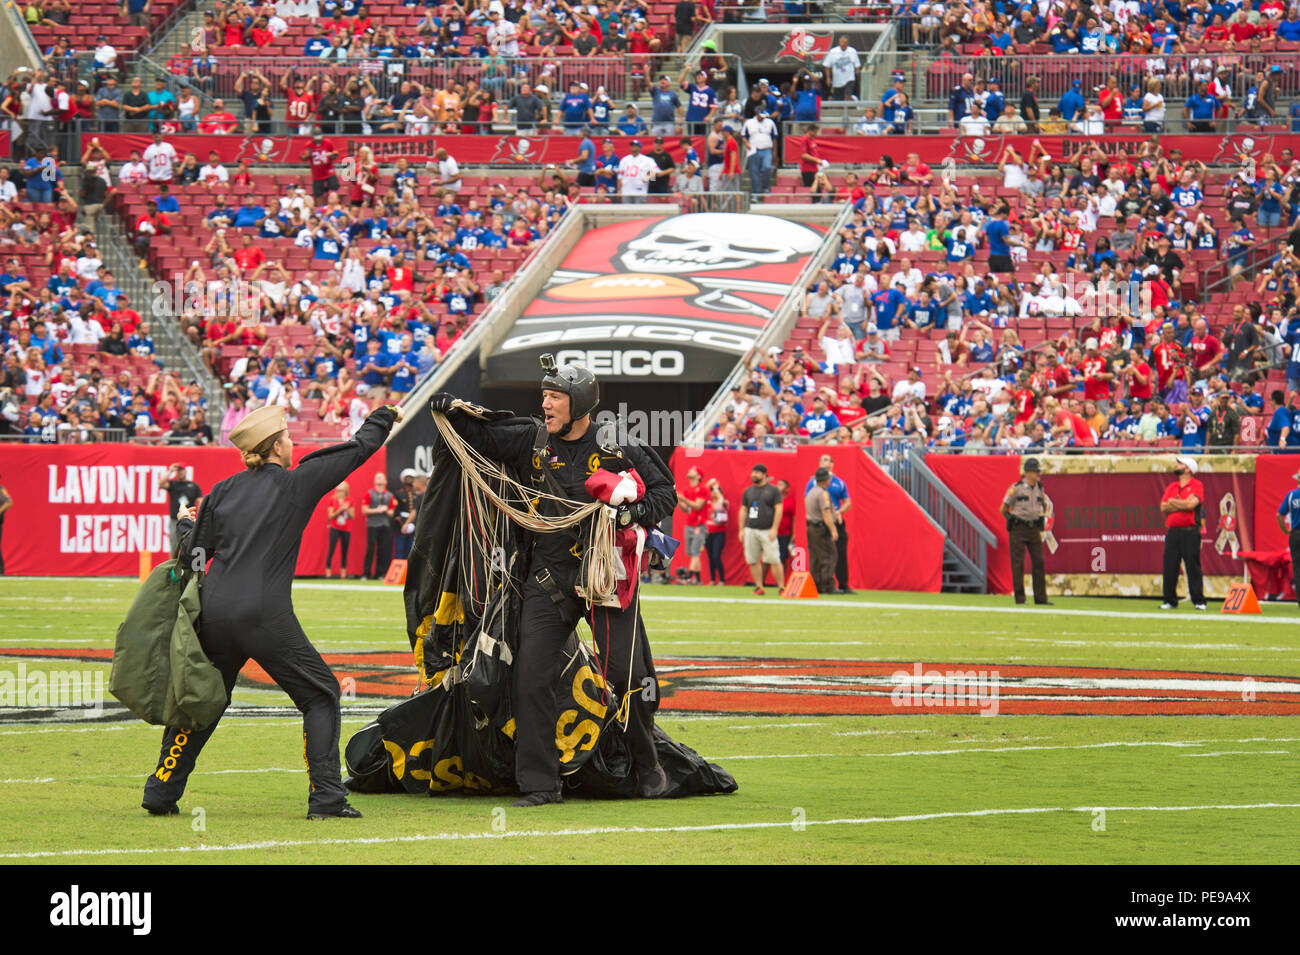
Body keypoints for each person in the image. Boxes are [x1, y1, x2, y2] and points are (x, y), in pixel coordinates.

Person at [427, 356, 676, 805]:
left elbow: (665, 491)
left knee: (627, 676)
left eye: (554, 396)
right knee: (531, 677)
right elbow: (479, 437)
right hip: (548, 577)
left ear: (578, 402)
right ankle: (541, 784)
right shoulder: (531, 438)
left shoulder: (617, 443)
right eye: (544, 395)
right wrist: (451, 409)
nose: (545, 403)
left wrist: (633, 512)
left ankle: (647, 762)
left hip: (607, 576)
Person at [141, 402, 401, 819]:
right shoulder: (295, 484)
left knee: (203, 698)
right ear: (277, 446)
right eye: (288, 438)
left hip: (214, 613)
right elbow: (357, 449)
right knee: (320, 695)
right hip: (263, 615)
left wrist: (185, 525)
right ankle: (326, 798)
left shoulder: (222, 490)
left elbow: (192, 558)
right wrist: (384, 415)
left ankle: (161, 791)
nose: (293, 443)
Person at [1000, 457, 1051, 606]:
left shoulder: (1040, 488)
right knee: (1018, 564)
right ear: (1028, 472)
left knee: (1039, 562)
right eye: (1036, 471)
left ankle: (1041, 598)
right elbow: (1003, 509)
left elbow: (1043, 506)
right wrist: (1012, 520)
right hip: (1018, 529)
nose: (1038, 474)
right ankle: (1020, 598)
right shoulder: (1016, 488)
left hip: (1034, 529)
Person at [1160, 455, 1206, 610]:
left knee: (1192, 566)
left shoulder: (1197, 485)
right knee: (1169, 566)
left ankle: (1198, 601)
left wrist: (1174, 502)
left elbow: (1191, 504)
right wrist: (1180, 503)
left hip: (1190, 531)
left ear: (1188, 469)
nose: (1176, 465)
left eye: (1180, 464)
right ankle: (1169, 600)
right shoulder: (1172, 486)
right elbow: (1163, 506)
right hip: (1173, 532)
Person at [739, 463, 784, 595]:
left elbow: (778, 509)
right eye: (753, 472)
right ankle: (759, 586)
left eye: (757, 472)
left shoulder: (773, 490)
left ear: (765, 475)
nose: (754, 475)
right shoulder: (748, 491)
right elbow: (743, 510)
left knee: (774, 559)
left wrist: (774, 528)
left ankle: (781, 587)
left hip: (767, 529)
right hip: (751, 529)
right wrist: (741, 529)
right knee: (753, 560)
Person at [805, 467, 838, 596]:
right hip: (820, 528)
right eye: (829, 478)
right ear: (825, 480)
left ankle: (817, 585)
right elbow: (825, 512)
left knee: (815, 558)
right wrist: (833, 529)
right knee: (829, 556)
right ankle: (828, 586)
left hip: (811, 528)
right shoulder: (823, 493)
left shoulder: (811, 492)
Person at [157, 462, 201, 551]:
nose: (180, 472)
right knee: (174, 547)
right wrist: (170, 471)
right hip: (175, 521)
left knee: (189, 546)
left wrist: (200, 518)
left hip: (189, 520)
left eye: (181, 470)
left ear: (185, 471)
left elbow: (200, 502)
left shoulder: (193, 486)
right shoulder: (173, 485)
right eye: (178, 470)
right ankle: (173, 565)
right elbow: (161, 484)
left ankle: (187, 565)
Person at [676, 466, 708, 584]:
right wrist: (678, 500)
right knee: (692, 553)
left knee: (695, 552)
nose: (689, 471)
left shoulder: (702, 489)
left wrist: (683, 498)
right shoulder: (687, 490)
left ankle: (688, 577)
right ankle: (698, 579)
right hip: (689, 524)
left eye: (693, 470)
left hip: (699, 525)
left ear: (699, 476)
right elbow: (686, 509)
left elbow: (698, 506)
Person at [361, 470, 396, 579]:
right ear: (375, 481)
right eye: (378, 477)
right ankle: (366, 573)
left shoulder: (389, 495)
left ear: (385, 481)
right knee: (370, 549)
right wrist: (377, 510)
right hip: (372, 525)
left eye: (382, 477)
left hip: (384, 525)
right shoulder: (369, 493)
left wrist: (385, 510)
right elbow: (364, 510)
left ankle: (380, 573)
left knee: (383, 550)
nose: (380, 479)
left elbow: (391, 513)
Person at [1275, 468, 1300, 610]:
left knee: (1298, 568)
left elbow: (1279, 515)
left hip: (1296, 534)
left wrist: (1285, 530)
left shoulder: (1291, 496)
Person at [324, 481, 353, 578]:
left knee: (344, 551)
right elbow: (330, 516)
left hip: (346, 528)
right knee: (331, 550)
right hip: (335, 527)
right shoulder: (332, 500)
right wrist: (340, 509)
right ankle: (328, 572)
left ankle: (343, 574)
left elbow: (352, 516)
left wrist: (347, 509)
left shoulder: (350, 500)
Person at [704, 478, 728, 585]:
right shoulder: (707, 503)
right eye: (712, 491)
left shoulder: (724, 503)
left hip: (719, 533)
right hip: (708, 533)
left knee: (716, 555)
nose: (713, 493)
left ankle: (722, 580)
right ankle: (713, 579)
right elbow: (703, 491)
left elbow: (721, 501)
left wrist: (716, 488)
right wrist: (710, 485)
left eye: (716, 491)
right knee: (710, 557)